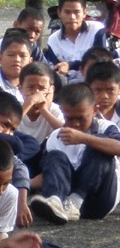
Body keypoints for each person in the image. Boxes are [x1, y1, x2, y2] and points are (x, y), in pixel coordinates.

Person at [32, 82, 120, 222]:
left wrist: (84, 138)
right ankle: (55, 200)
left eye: (81, 118)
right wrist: (22, 186)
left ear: (94, 110)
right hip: (65, 198)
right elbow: (49, 172)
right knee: (54, 156)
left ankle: (76, 200)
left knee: (100, 144)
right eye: (69, 118)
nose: (75, 124)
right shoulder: (56, 136)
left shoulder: (106, 127)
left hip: (98, 200)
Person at [43, 0, 109, 78]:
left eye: (76, 12)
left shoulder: (96, 29)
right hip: (68, 84)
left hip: (94, 81)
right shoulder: (53, 40)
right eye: (67, 12)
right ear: (59, 13)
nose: (72, 17)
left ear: (84, 13)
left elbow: (101, 60)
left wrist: (70, 65)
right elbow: (56, 68)